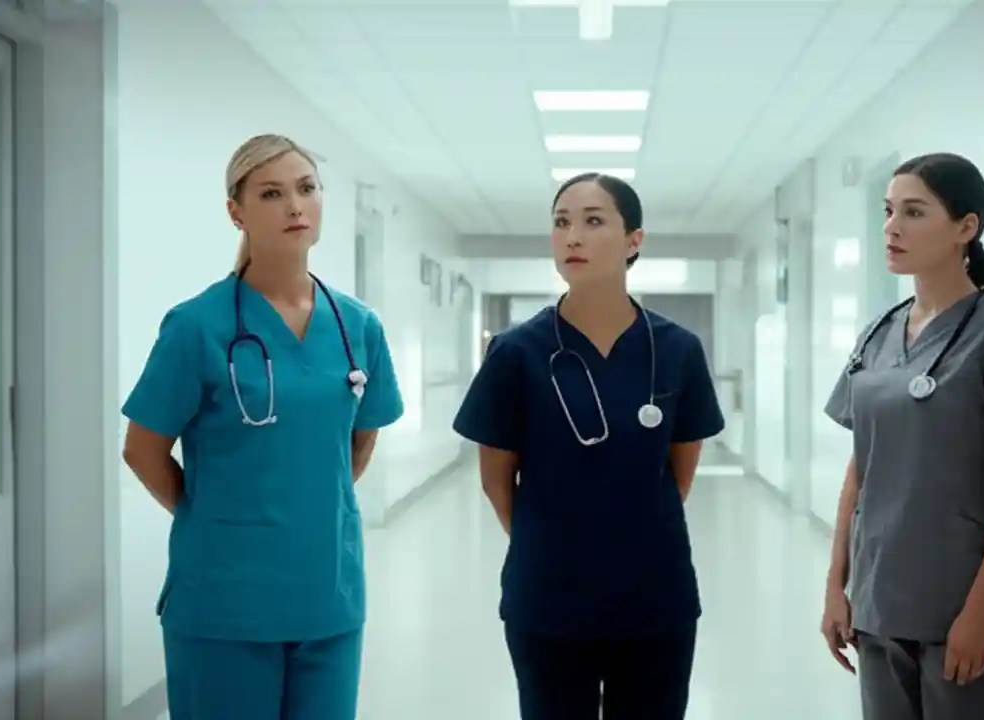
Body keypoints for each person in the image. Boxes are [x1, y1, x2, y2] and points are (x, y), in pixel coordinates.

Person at [120, 134, 403, 719]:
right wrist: (212, 515)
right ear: (237, 212)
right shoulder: (196, 326)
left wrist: (304, 505)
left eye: (306, 188)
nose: (295, 206)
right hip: (224, 599)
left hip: (327, 594)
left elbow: (359, 440)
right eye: (272, 193)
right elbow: (142, 449)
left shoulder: (357, 326)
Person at [452, 172, 725, 720]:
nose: (572, 236)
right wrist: (555, 540)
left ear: (633, 240)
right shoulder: (516, 353)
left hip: (655, 594)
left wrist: (625, 533)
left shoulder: (677, 350)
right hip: (548, 596)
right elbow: (495, 479)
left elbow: (679, 472)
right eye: (561, 223)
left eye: (593, 221)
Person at [819, 152, 984, 719]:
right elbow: (860, 471)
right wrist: (836, 586)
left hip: (961, 604)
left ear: (965, 228)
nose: (892, 227)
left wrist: (980, 612)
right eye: (888, 211)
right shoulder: (878, 333)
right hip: (878, 605)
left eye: (913, 212)